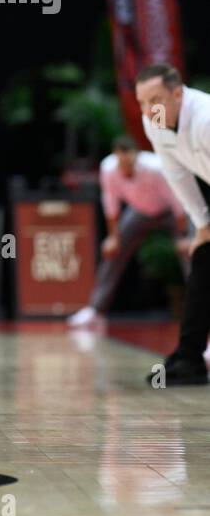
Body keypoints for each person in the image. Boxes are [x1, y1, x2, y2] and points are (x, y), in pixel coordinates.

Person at [136, 64, 210, 386]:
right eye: (142, 102)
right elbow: (177, 175)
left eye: (155, 99)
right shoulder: (153, 122)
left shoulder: (206, 119)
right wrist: (203, 224)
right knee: (203, 264)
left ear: (178, 94)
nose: (148, 109)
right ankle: (189, 357)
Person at [69, 133, 187, 327]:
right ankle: (95, 310)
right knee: (113, 251)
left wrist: (182, 237)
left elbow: (179, 203)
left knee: (193, 252)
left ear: (137, 155)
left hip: (171, 212)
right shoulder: (108, 169)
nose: (125, 165)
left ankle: (203, 314)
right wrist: (113, 237)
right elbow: (111, 204)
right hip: (139, 211)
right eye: (121, 159)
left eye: (129, 159)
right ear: (116, 156)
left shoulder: (156, 169)